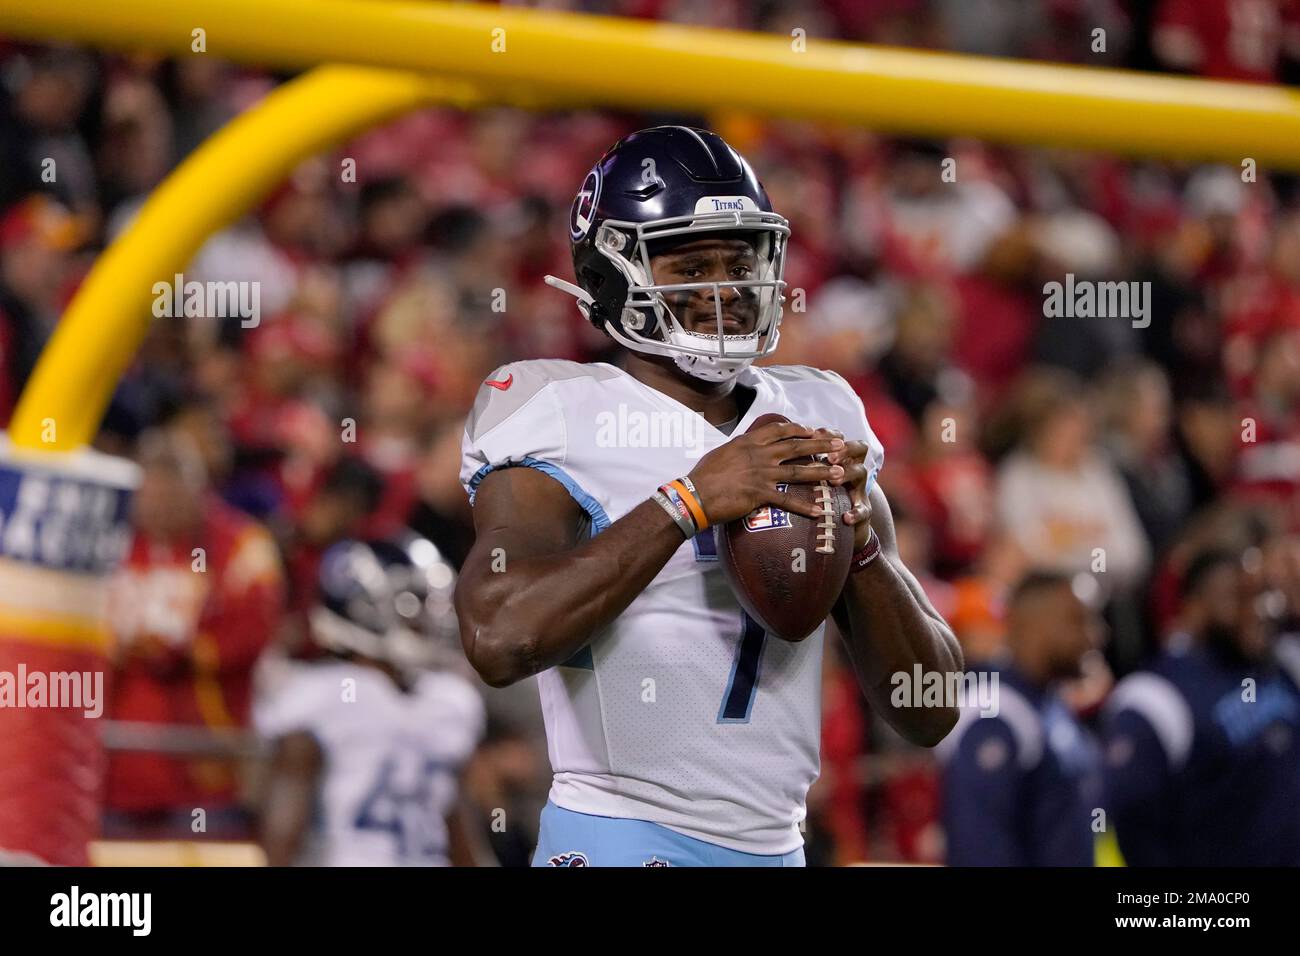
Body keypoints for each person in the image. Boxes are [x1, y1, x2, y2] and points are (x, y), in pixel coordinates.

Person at [453, 126, 962, 867]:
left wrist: (864, 544)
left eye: (740, 262)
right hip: (617, 837)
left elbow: (929, 708)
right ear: (613, 276)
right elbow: (499, 639)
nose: (724, 291)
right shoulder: (557, 408)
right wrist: (688, 502)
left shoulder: (819, 411)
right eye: (691, 266)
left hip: (778, 846)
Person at [255, 534, 491, 866]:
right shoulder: (320, 700)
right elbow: (282, 838)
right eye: (411, 603)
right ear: (361, 608)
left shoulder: (447, 699)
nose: (425, 616)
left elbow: (454, 825)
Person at [1102, 545, 1300, 865]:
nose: (1259, 611)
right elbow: (1131, 826)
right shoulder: (1157, 695)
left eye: (1263, 597)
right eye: (1240, 599)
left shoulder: (1278, 663)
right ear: (1194, 608)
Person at [939, 571, 1104, 866]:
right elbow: (980, 849)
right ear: (1031, 627)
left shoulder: (1051, 704)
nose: (1095, 635)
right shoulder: (994, 713)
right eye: (1077, 620)